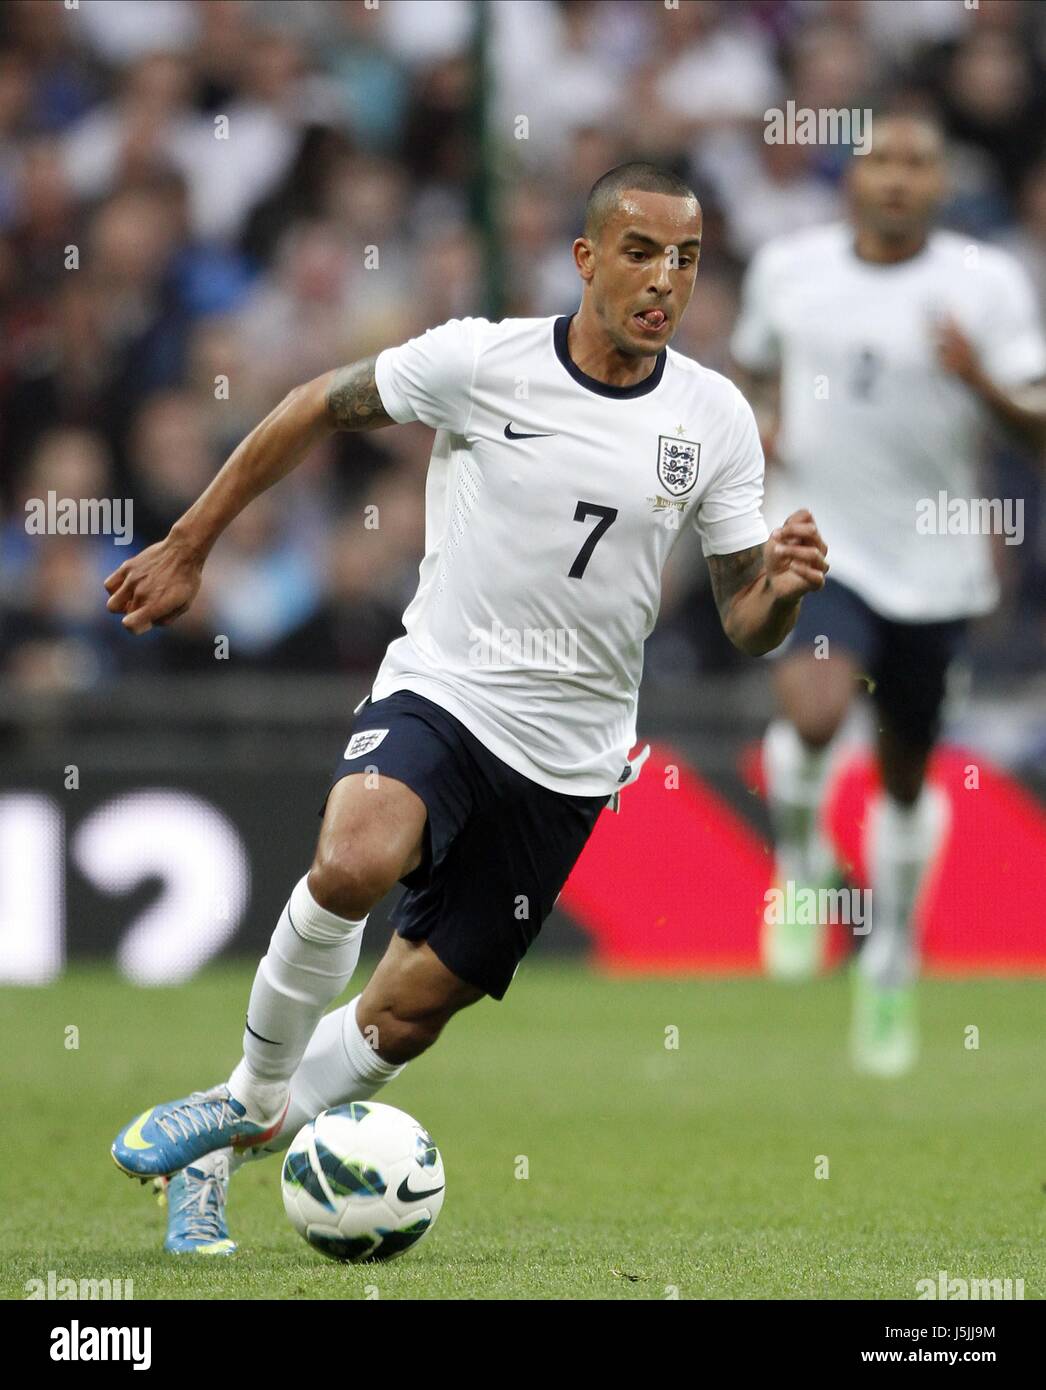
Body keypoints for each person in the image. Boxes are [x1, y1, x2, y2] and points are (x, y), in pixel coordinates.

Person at [106, 162, 828, 1253]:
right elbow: (313, 402)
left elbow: (742, 622)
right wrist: (190, 540)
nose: (662, 279)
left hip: (571, 761)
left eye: (684, 259)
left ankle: (212, 1147)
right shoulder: (479, 361)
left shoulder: (713, 417)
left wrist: (778, 590)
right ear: (585, 258)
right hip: (445, 688)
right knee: (354, 859)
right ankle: (252, 1095)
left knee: (403, 1016)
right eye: (639, 251)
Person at [732, 115, 1046, 1075]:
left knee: (907, 776)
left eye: (918, 163)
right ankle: (798, 862)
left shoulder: (985, 284)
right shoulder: (788, 269)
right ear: (851, 177)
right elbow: (748, 373)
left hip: (935, 563)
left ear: (941, 182)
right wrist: (762, 424)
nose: (898, 180)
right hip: (820, 539)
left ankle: (894, 954)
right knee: (819, 715)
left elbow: (1037, 425)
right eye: (881, 162)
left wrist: (980, 383)